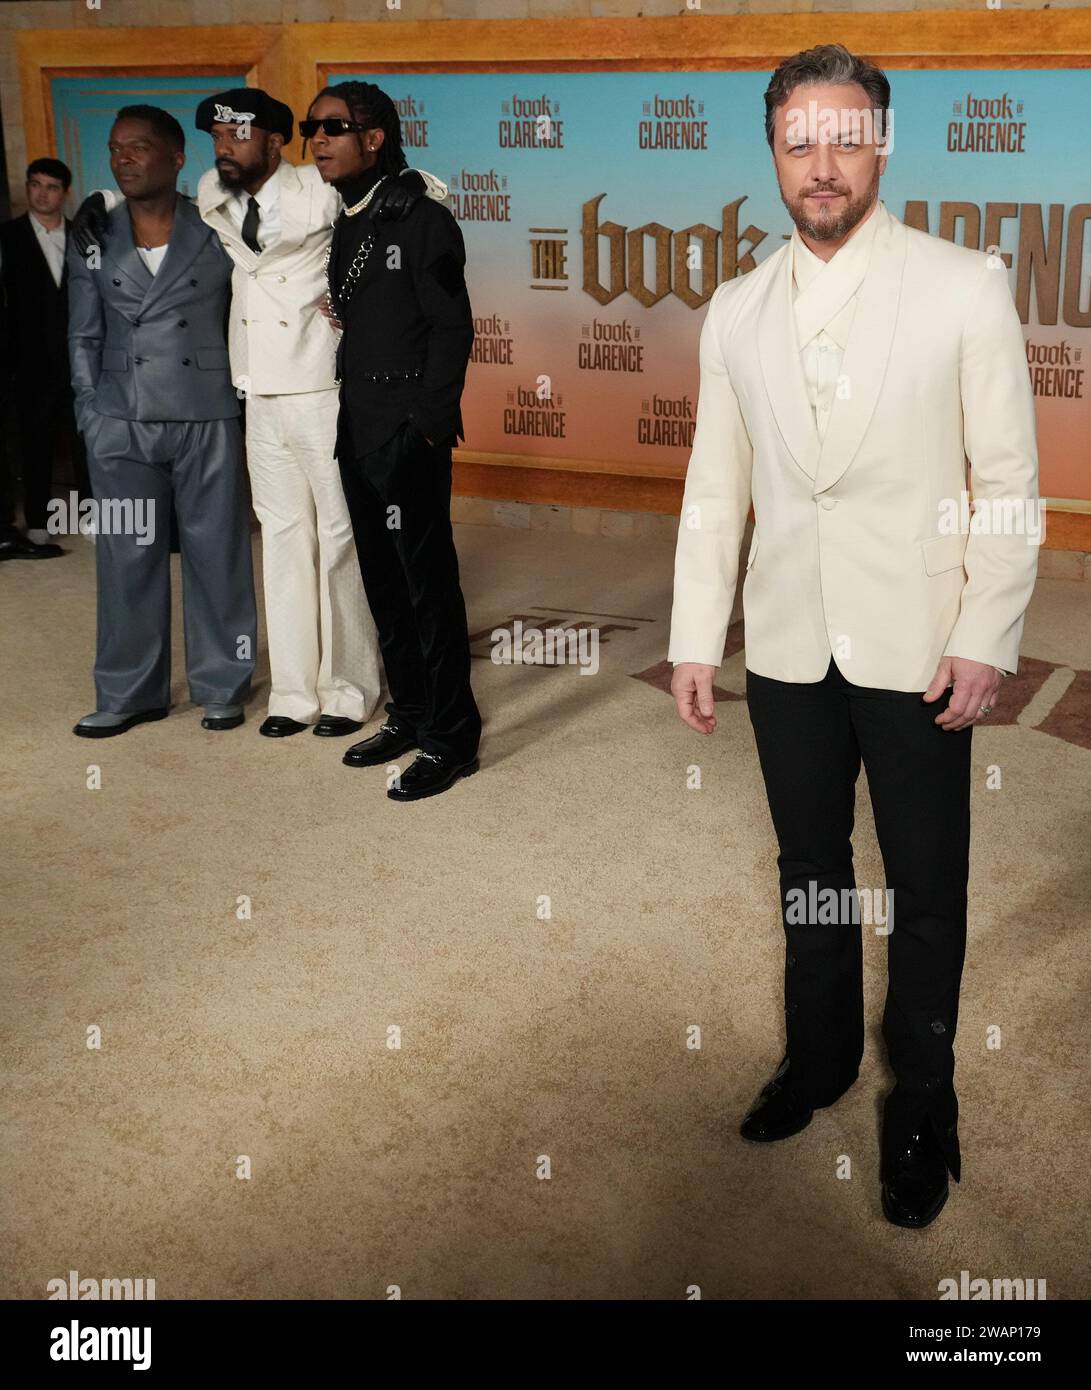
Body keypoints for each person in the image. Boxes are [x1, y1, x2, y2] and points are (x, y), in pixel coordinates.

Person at [668, 44, 1039, 1228]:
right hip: (785, 648)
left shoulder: (962, 284)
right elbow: (715, 491)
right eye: (797, 141)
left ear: (881, 145)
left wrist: (985, 632)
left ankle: (920, 1097)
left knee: (925, 885)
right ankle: (819, 1056)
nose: (819, 166)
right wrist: (691, 638)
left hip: (923, 639)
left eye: (843, 139)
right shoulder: (732, 308)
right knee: (810, 871)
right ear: (771, 150)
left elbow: (1008, 482)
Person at [309, 81, 481, 801]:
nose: (315, 140)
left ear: (374, 137)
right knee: (382, 583)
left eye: (332, 128)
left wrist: (427, 428)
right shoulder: (351, 218)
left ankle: (451, 738)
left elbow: (453, 328)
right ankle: (408, 712)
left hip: (407, 432)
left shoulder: (425, 220)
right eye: (309, 128)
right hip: (358, 425)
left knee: (427, 589)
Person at [67, 104, 256, 737]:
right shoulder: (93, 235)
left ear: (177, 158)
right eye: (116, 148)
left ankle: (223, 683)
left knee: (217, 551)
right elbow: (82, 334)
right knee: (126, 557)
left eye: (139, 147)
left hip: (206, 410)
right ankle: (128, 693)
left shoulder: (218, 225)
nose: (124, 158)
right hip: (122, 420)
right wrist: (91, 412)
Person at [0, 158, 86, 559]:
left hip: (80, 362)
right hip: (29, 363)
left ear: (64, 192)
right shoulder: (8, 237)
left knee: (87, 445)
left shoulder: (84, 236)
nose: (41, 193)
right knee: (35, 446)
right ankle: (37, 523)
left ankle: (92, 518)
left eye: (51, 186)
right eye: (35, 184)